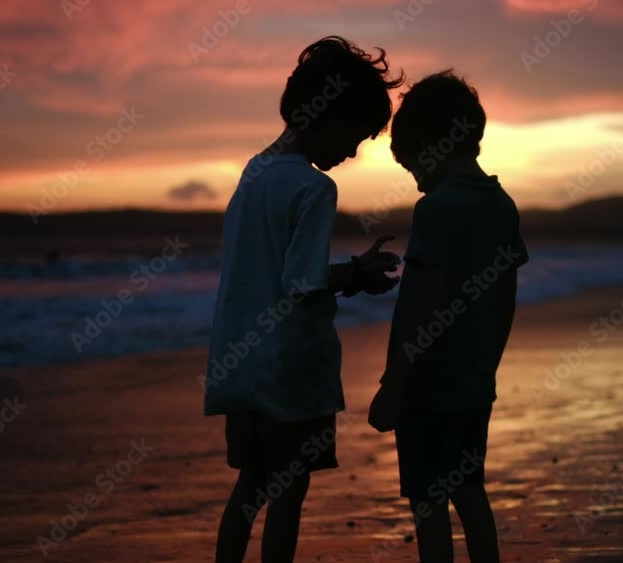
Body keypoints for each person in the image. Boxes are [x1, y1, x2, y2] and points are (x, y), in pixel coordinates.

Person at [204, 36, 404, 563]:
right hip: (291, 370)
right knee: (288, 495)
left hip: (240, 363)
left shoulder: (254, 172)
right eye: (355, 136)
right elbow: (304, 282)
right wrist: (358, 273)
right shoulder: (315, 189)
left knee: (250, 487)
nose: (354, 152)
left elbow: (264, 272)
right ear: (329, 118)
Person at [368, 71, 530, 563]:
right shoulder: (502, 206)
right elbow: (505, 302)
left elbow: (421, 307)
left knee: (427, 501)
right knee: (469, 491)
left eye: (411, 161)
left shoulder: (436, 210)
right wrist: (486, 369)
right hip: (476, 381)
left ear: (433, 145)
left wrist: (395, 383)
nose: (412, 176)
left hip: (427, 385)